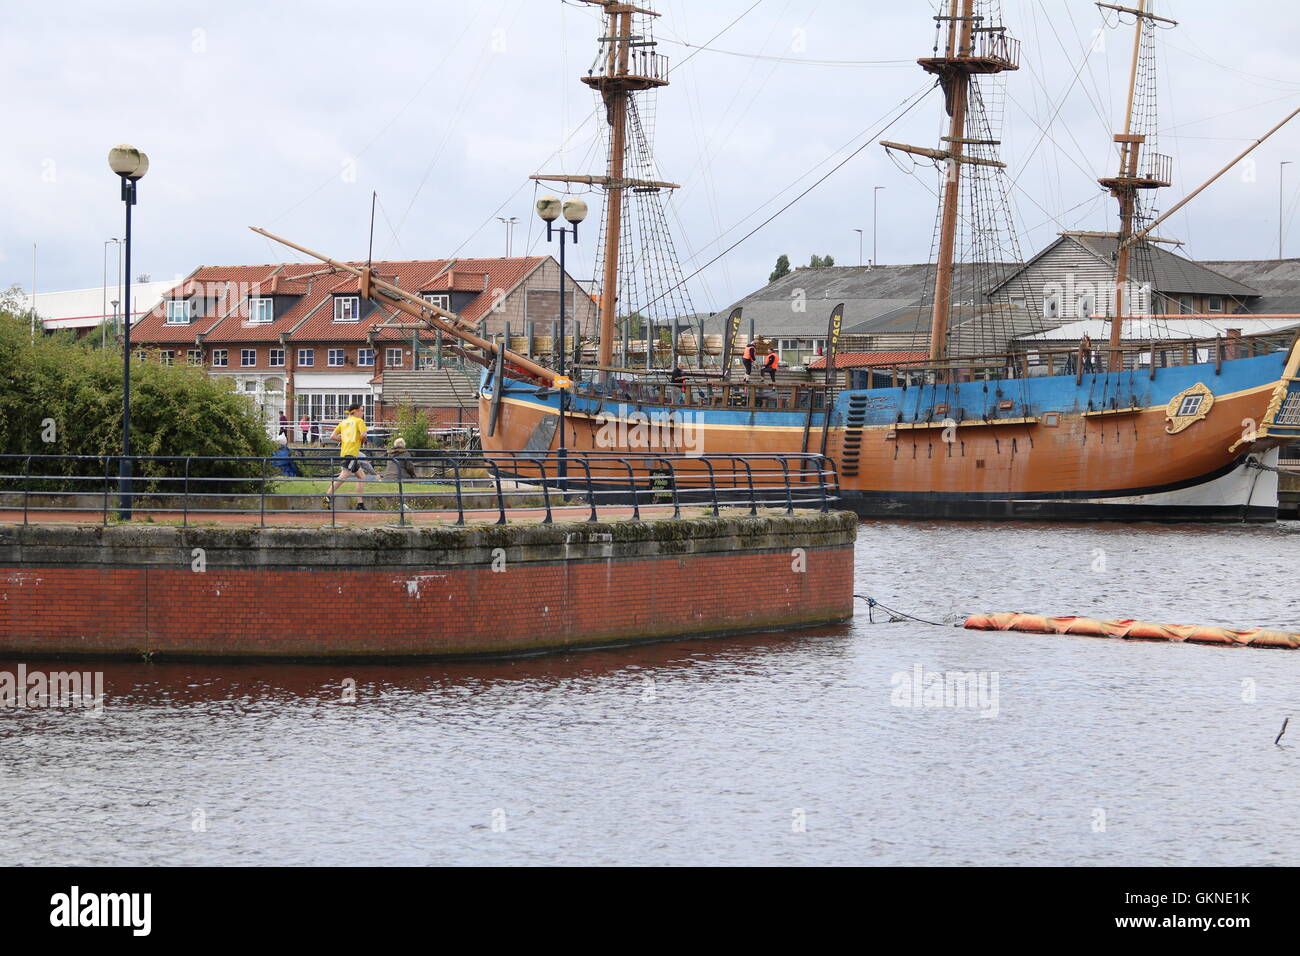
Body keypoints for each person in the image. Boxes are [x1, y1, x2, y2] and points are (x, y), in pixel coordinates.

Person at [322, 403, 378, 510]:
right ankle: (327, 496)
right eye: (361, 411)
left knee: (361, 477)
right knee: (344, 475)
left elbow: (332, 436)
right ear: (355, 412)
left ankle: (360, 504)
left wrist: (344, 440)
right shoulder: (359, 421)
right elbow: (363, 435)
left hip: (346, 452)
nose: (362, 413)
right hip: (352, 453)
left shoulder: (343, 422)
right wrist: (362, 441)